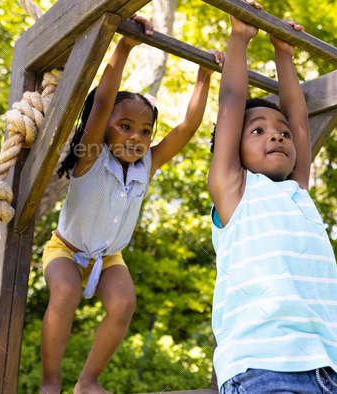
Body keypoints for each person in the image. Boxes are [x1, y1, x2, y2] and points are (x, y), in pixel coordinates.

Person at [39, 13, 226, 394]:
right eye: (124, 126)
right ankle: (50, 382)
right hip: (66, 250)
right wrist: (122, 45)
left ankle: (87, 382)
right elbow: (103, 101)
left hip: (110, 258)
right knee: (66, 293)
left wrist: (204, 75)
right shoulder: (91, 155)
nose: (136, 137)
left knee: (124, 303)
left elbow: (186, 128)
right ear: (104, 127)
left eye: (145, 131)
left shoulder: (147, 165)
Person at [207, 5, 337, 394]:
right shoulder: (234, 190)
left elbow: (298, 118)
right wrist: (240, 37)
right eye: (257, 131)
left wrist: (284, 54)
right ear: (231, 150)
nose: (276, 136)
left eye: (281, 133)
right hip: (262, 368)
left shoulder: (297, 191)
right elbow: (231, 98)